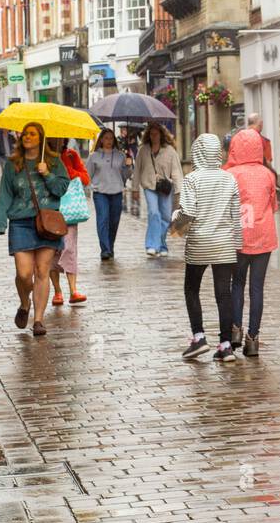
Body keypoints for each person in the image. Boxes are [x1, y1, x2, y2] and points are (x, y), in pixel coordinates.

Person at [0, 122, 70, 336]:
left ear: (40, 138)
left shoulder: (53, 162)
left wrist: (47, 174)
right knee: (24, 274)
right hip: (21, 223)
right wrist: (0, 221)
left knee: (42, 271)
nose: (27, 137)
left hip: (47, 225)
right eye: (25, 134)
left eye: (32, 134)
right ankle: (24, 303)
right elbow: (5, 195)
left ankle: (38, 320)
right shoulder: (13, 164)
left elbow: (61, 189)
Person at [178, 134, 242, 362]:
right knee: (223, 294)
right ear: (218, 153)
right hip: (224, 243)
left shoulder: (191, 179)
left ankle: (199, 337)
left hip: (199, 243)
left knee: (191, 289)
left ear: (196, 152)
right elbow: (237, 215)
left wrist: (175, 222)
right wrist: (238, 244)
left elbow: (188, 213)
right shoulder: (229, 179)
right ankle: (225, 346)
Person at [226, 127, 278, 357]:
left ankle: (235, 329)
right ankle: (253, 339)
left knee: (237, 284)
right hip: (264, 237)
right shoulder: (268, 174)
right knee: (257, 288)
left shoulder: (231, 174)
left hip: (239, 237)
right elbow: (273, 206)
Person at [132, 122, 183, 257]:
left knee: (166, 216)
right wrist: (135, 189)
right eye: (151, 134)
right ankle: (151, 245)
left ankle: (161, 245)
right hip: (149, 186)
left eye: (156, 134)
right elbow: (137, 170)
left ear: (161, 134)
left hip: (165, 187)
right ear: (148, 135)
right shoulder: (143, 150)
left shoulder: (170, 151)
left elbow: (176, 171)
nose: (153, 136)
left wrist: (179, 190)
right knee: (154, 213)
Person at [50, 143, 90, 306]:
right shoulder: (44, 155)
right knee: (52, 250)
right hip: (51, 210)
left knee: (70, 248)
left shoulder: (71, 155)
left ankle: (73, 290)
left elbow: (85, 179)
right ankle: (57, 292)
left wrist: (69, 173)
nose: (57, 140)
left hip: (70, 211)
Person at [87, 129, 129, 261]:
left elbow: (126, 176)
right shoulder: (94, 156)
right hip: (100, 193)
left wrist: (129, 166)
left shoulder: (121, 156)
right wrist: (88, 189)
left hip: (116, 192)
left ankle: (110, 246)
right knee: (103, 219)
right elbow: (88, 174)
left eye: (111, 138)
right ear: (101, 140)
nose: (109, 141)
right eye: (106, 138)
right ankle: (105, 249)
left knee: (114, 221)